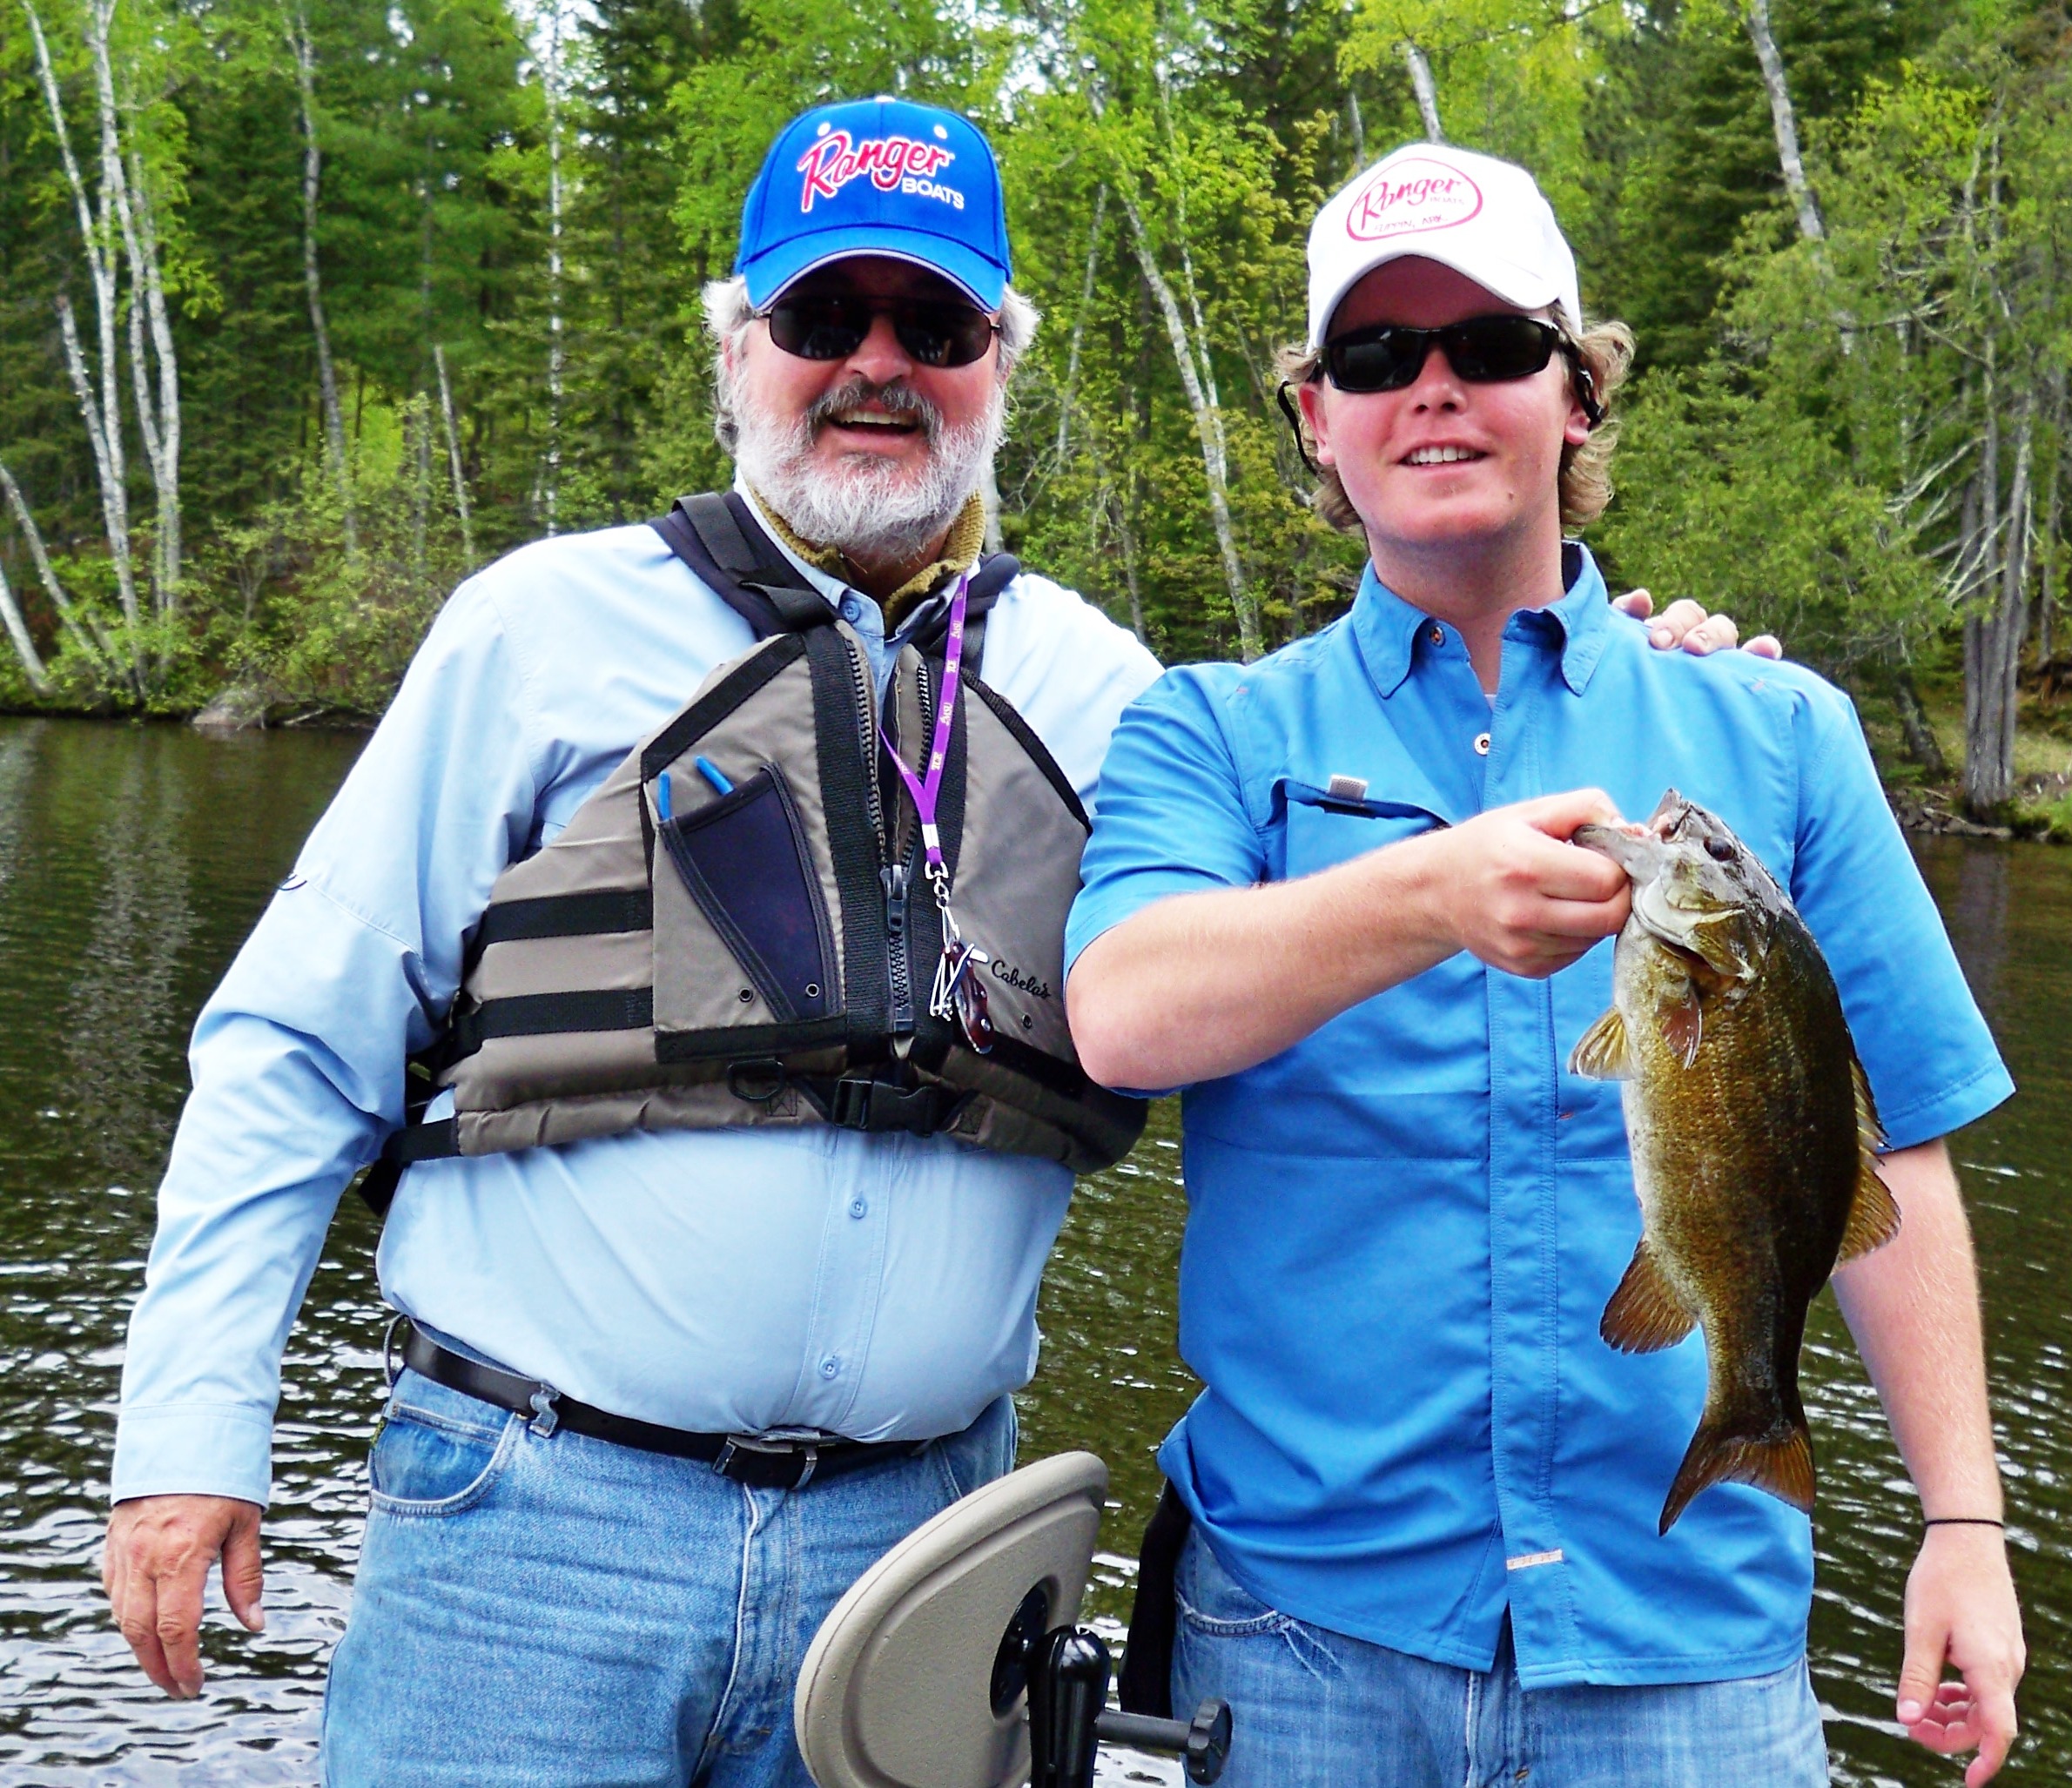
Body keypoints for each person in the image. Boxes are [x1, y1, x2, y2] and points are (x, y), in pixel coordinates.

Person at [101, 99, 1762, 1784]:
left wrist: (1607, 660)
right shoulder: (534, 630)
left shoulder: (1120, 700)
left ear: (1000, 364)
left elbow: (1370, 838)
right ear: (740, 350)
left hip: (920, 1547)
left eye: (937, 328)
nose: (878, 368)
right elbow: (291, 1042)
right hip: (531, 1523)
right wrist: (187, 1433)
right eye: (826, 320)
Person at [1065, 142, 2025, 1788]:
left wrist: (1967, 1520)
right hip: (1293, 1638)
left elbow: (1900, 1148)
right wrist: (1427, 895)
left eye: (1491, 349)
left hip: (1691, 1645)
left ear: (1576, 393)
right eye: (1375, 359)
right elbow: (1124, 1012)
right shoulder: (1211, 728)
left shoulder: (1779, 729)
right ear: (1316, 419)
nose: (1432, 392)